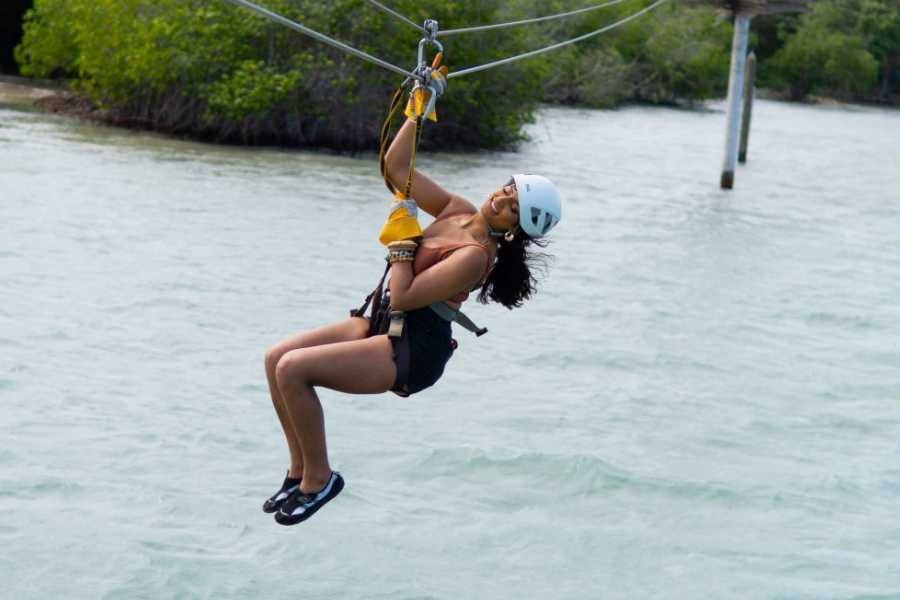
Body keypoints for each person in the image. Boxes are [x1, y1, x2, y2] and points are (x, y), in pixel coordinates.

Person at [261, 115, 562, 526]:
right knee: (275, 357)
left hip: (412, 347)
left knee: (294, 370)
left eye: (513, 210)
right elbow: (396, 169)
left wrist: (403, 241)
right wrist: (416, 113)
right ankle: (298, 473)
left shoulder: (475, 256)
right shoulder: (456, 210)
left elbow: (405, 294)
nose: (503, 201)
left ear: (513, 231)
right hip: (381, 320)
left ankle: (321, 479)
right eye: (509, 190)